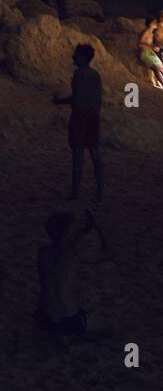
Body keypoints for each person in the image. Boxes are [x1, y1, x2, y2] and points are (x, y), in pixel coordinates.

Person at [35, 210, 109, 343]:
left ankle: (56, 332)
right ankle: (70, 338)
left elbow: (63, 245)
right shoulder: (74, 255)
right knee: (106, 328)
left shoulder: (42, 252)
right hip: (68, 318)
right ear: (67, 233)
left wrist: (85, 231)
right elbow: (108, 254)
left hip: (44, 318)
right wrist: (100, 230)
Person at [53, 43, 104, 200]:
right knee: (95, 152)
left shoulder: (79, 74)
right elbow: (97, 99)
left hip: (80, 115)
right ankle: (100, 191)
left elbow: (77, 98)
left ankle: (75, 193)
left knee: (78, 155)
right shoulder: (96, 75)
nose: (73, 57)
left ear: (83, 57)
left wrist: (59, 101)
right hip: (93, 115)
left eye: (76, 54)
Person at [138, 17, 163, 91]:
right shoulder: (146, 32)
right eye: (154, 23)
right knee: (158, 69)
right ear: (150, 24)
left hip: (150, 52)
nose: (156, 24)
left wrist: (155, 48)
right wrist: (152, 48)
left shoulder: (151, 33)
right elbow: (140, 44)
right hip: (145, 53)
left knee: (162, 69)